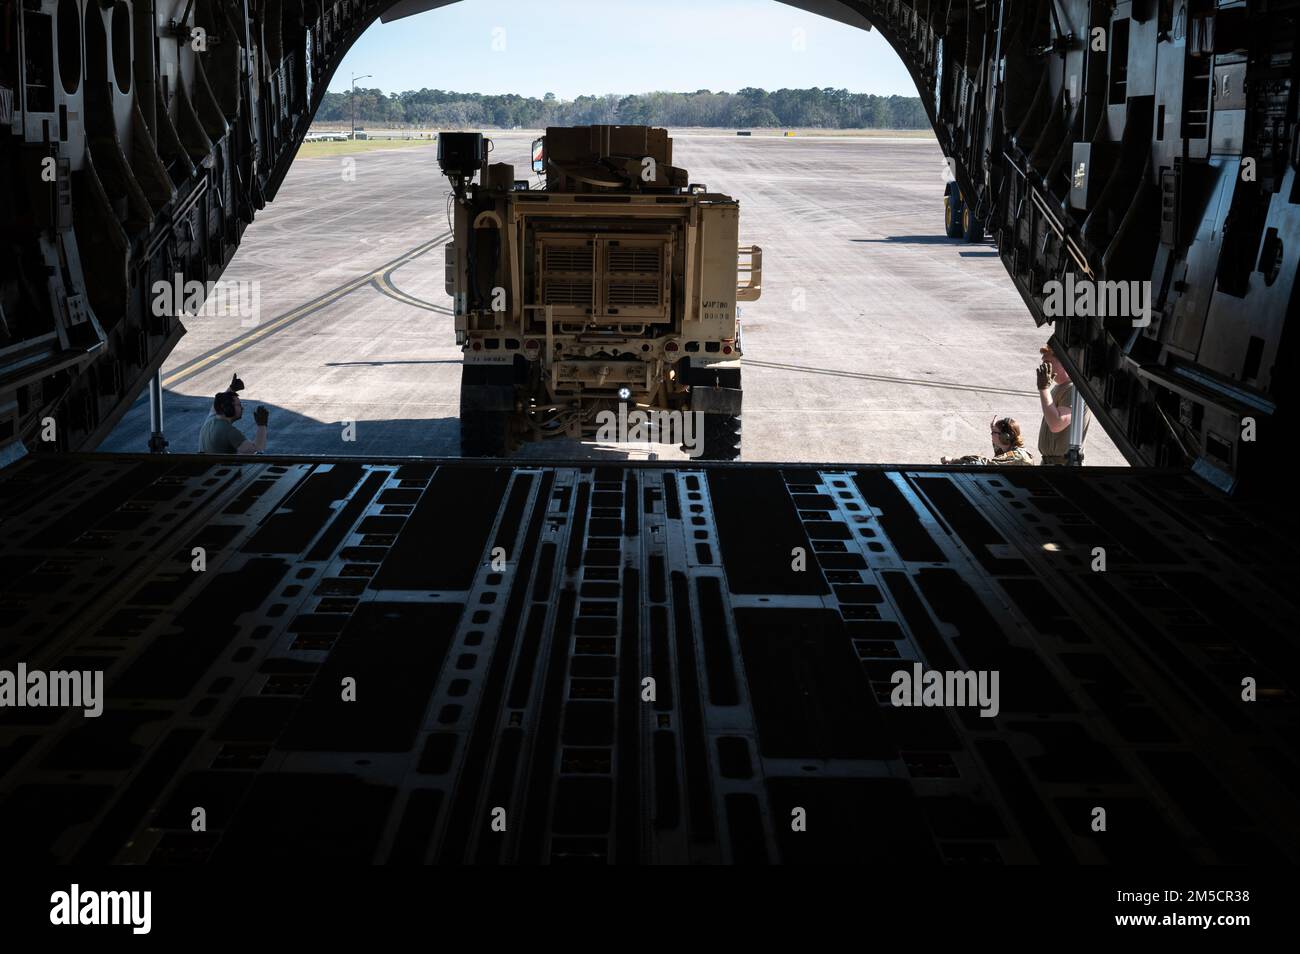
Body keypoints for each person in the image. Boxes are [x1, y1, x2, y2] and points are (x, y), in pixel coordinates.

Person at [1037, 341, 1089, 465]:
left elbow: (1056, 424)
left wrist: (1043, 388)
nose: (1043, 368)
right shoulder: (1057, 389)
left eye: (1047, 363)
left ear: (1063, 363)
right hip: (1049, 463)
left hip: (1064, 465)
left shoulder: (1074, 389)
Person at [199, 374, 269, 454]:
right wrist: (262, 426)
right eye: (239, 405)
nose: (242, 408)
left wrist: (231, 389)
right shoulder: (229, 431)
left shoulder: (210, 421)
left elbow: (217, 405)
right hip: (219, 466)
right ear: (228, 408)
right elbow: (256, 452)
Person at [942, 417, 1035, 465]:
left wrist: (955, 461)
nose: (991, 434)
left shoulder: (1017, 455)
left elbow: (986, 464)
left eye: (994, 432)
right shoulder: (1008, 448)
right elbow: (1000, 454)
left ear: (1005, 437)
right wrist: (994, 429)